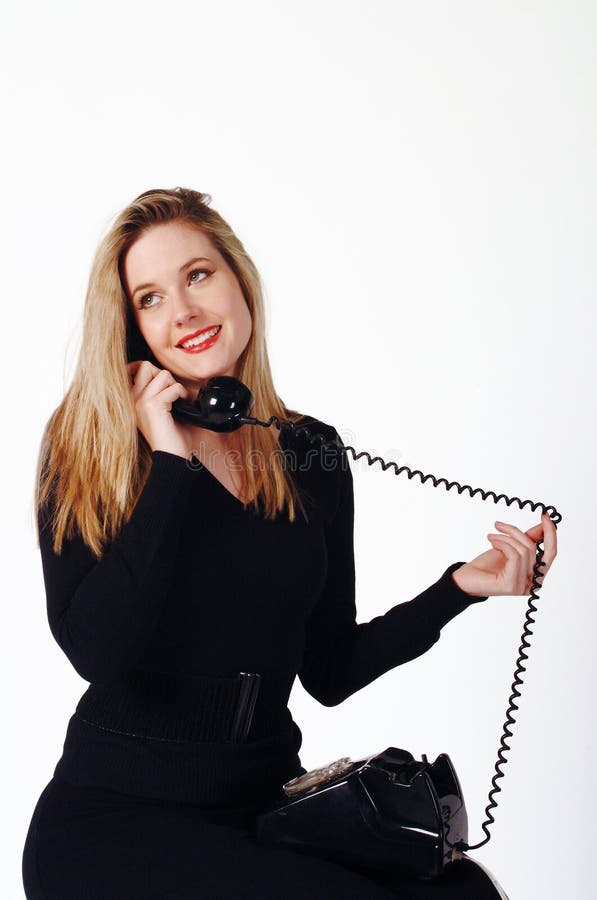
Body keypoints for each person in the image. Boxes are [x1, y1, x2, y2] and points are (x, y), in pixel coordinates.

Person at [21, 186, 557, 899]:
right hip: (117, 822)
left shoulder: (309, 454)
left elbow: (328, 670)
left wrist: (455, 589)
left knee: (463, 893)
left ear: (239, 279)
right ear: (131, 332)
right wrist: (171, 463)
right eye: (148, 298)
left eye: (197, 275)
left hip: (259, 811)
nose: (181, 311)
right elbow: (97, 651)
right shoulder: (92, 449)